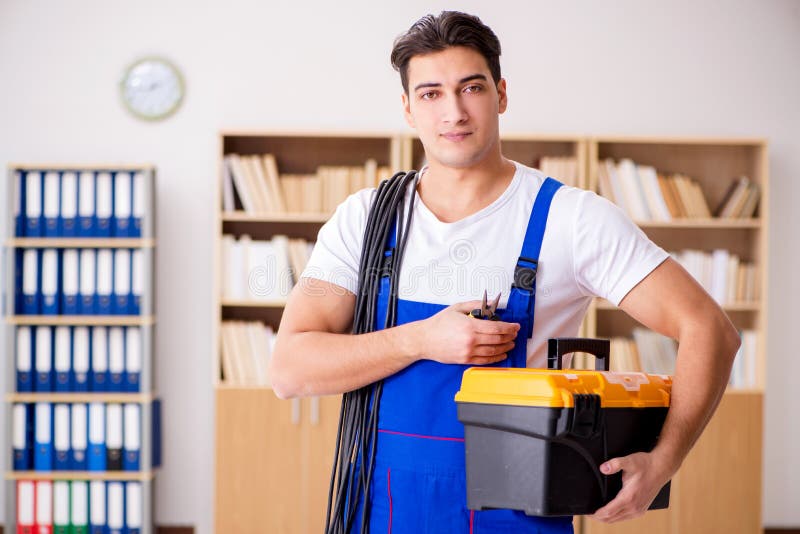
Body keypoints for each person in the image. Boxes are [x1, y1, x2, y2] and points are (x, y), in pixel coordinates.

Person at [270, 10, 740, 533]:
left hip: (518, 516)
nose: (453, 112)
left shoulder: (571, 220)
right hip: (382, 509)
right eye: (430, 94)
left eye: (471, 88)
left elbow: (710, 329)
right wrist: (421, 340)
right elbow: (290, 369)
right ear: (408, 108)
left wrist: (664, 459)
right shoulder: (365, 220)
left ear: (501, 95)